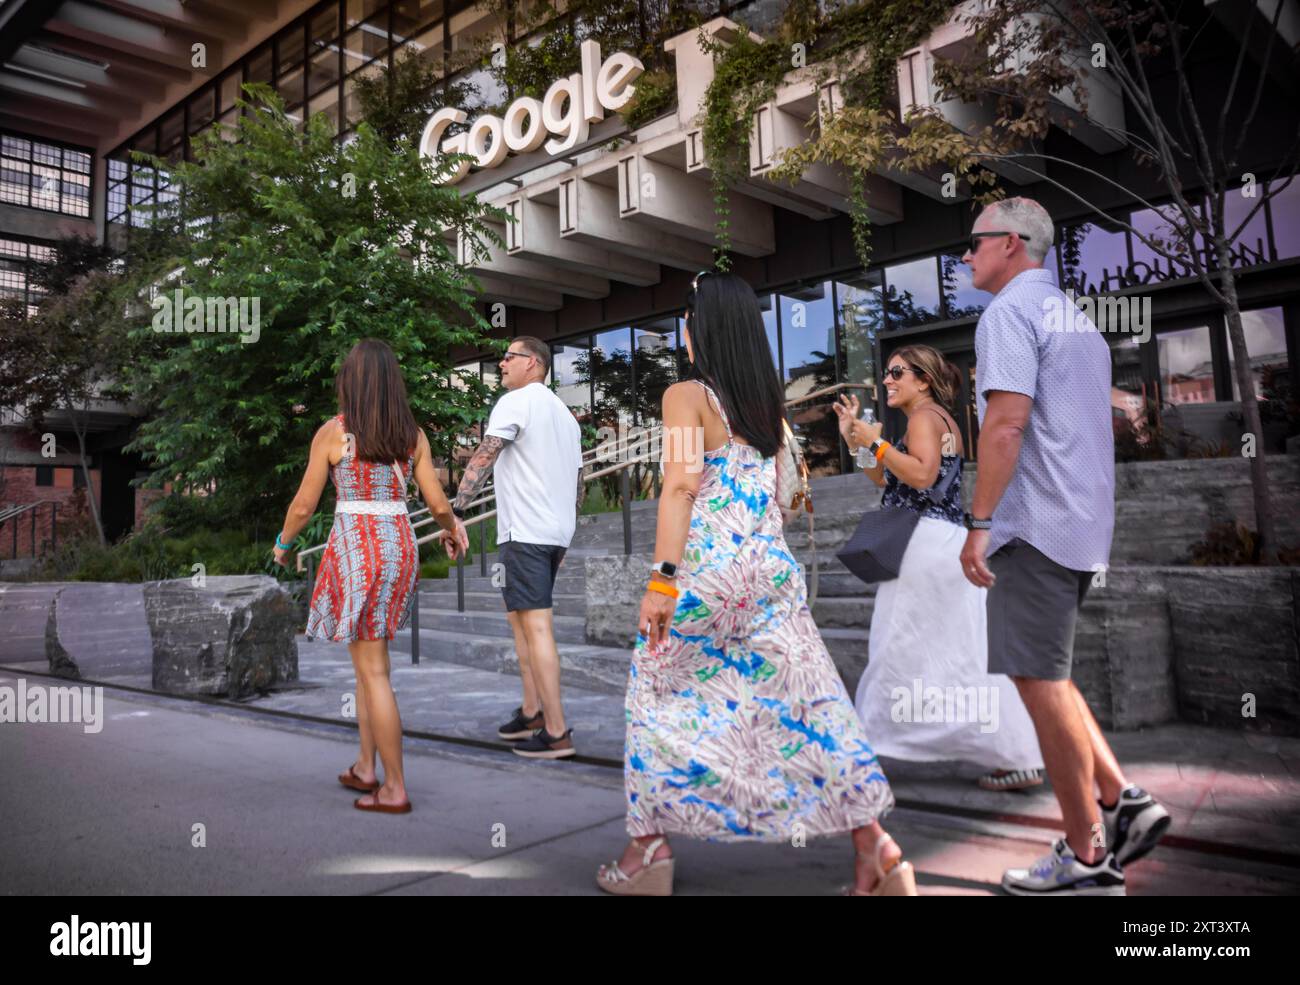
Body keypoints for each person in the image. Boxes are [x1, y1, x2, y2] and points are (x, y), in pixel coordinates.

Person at [597, 271, 915, 897]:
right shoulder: (765, 405)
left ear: (700, 328)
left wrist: (662, 580)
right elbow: (786, 497)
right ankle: (875, 849)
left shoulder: (686, 395)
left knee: (656, 698)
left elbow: (682, 485)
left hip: (708, 571)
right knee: (810, 703)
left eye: (688, 317)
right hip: (769, 571)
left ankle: (648, 851)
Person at [958, 197, 1170, 895]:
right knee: (1047, 669)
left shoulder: (1008, 314)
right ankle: (1121, 800)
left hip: (1035, 526)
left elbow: (1006, 425)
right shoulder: (1074, 318)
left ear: (1012, 245)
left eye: (975, 243)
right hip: (1080, 526)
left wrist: (980, 520)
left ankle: (1088, 856)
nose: (965, 255)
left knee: (1038, 679)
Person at [835, 344, 1044, 791]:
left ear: (923, 380)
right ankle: (1017, 751)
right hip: (944, 541)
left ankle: (863, 753)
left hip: (923, 544)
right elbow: (888, 477)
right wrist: (857, 439)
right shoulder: (943, 420)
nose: (887, 380)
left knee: (895, 646)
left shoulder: (922, 418)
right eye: (886, 373)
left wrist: (873, 438)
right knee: (963, 650)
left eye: (897, 373)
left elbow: (923, 475)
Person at [274, 338, 468, 814]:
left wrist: (283, 545)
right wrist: (452, 528)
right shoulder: (412, 436)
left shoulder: (335, 433)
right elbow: (438, 503)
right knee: (369, 664)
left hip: (357, 548)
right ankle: (366, 766)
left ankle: (395, 787)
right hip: (398, 546)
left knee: (374, 670)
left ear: (351, 381)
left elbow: (303, 505)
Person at [448, 336, 584, 759]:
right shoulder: (567, 416)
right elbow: (579, 484)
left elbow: (485, 456)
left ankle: (557, 731)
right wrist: (566, 525)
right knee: (521, 623)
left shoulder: (516, 401)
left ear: (534, 364)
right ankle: (532, 712)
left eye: (510, 356)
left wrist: (454, 511)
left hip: (526, 533)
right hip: (554, 532)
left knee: (536, 627)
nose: (502, 362)